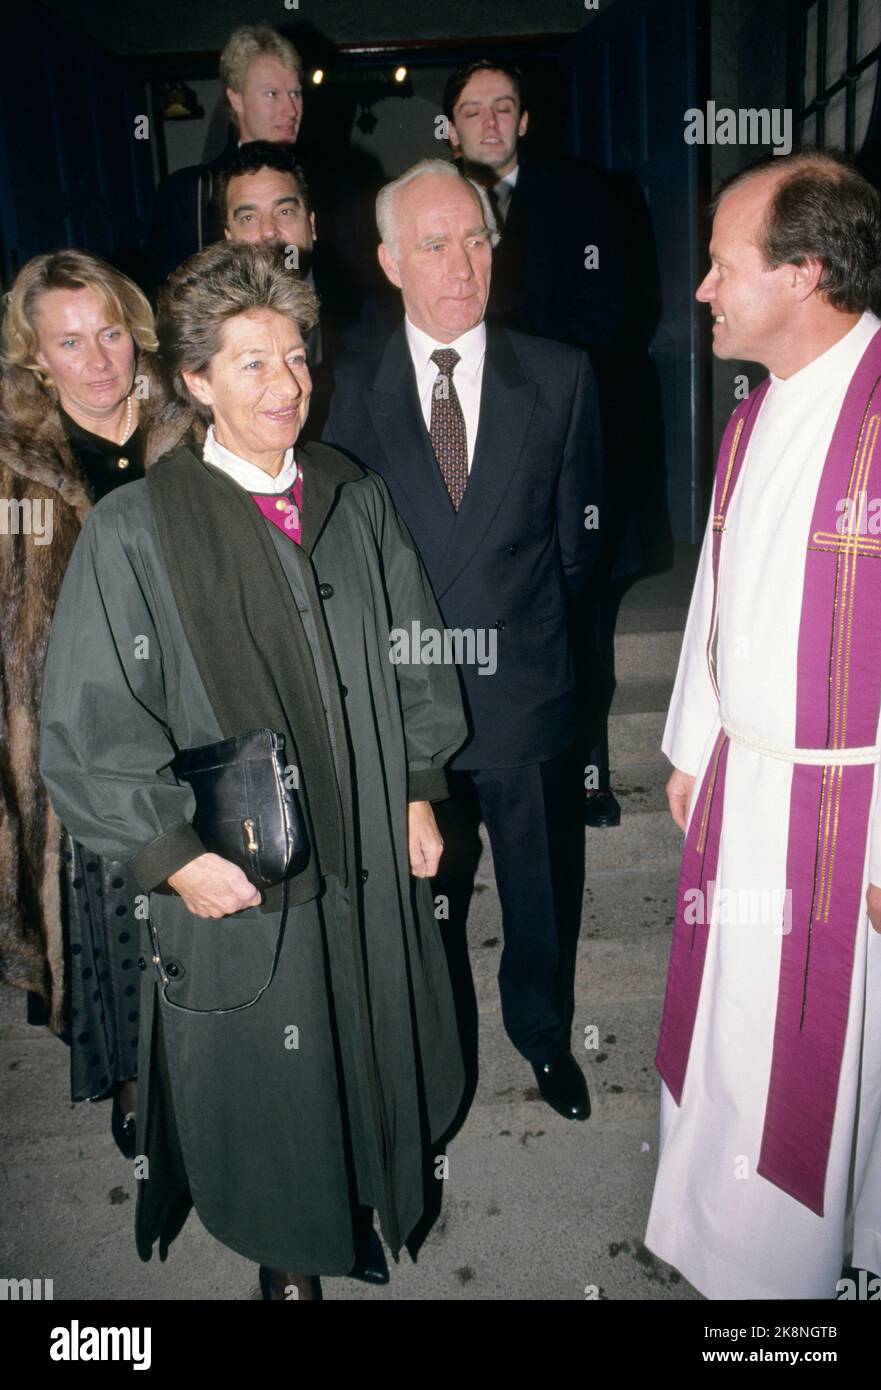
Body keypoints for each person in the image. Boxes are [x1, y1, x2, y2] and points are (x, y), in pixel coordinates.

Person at [38, 241, 468, 1300]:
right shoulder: (139, 528)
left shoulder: (349, 496)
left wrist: (417, 776)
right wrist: (171, 855)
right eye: (250, 365)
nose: (286, 388)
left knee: (366, 1009)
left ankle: (373, 1183)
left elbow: (414, 638)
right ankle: (289, 1246)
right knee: (277, 1060)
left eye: (295, 360)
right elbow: (90, 724)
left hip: (364, 828)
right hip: (241, 860)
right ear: (192, 381)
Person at [646, 149, 881, 1299]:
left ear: (799, 275)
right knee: (730, 1050)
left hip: (848, 821)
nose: (701, 291)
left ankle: (810, 1276)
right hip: (749, 790)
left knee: (833, 1081)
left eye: (719, 267)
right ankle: (738, 1266)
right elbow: (714, 580)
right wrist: (696, 741)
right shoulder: (755, 410)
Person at [324, 160, 606, 1122]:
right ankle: (421, 1056)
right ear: (390, 261)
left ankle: (540, 1035)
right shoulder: (335, 385)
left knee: (536, 889)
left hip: (521, 687)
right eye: (435, 245)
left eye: (477, 240)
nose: (461, 265)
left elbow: (576, 551)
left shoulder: (559, 376)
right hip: (399, 703)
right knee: (416, 900)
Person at [0, 250, 186, 1156]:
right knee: (108, 916)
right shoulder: (14, 465)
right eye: (70, 342)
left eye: (110, 332)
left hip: (192, 718)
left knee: (193, 897)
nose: (99, 360)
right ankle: (128, 1075)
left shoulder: (191, 430)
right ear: (37, 359)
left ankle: (210, 1060)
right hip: (74, 736)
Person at [444, 59, 626, 830]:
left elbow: (613, 309)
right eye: (472, 109)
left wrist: (528, 383)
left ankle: (583, 774)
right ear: (449, 124)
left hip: (552, 436)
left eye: (503, 107)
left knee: (574, 614)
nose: (488, 122)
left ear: (523, 119)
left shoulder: (584, 193)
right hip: (459, 439)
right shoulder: (431, 203)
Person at [216, 141, 354, 436]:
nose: (268, 232)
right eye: (249, 218)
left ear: (312, 225)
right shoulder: (206, 338)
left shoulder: (371, 316)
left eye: (285, 211)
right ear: (229, 238)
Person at [150, 24, 304, 284]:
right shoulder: (189, 193)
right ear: (236, 99)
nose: (290, 109)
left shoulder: (330, 185)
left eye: (295, 93)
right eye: (272, 94)